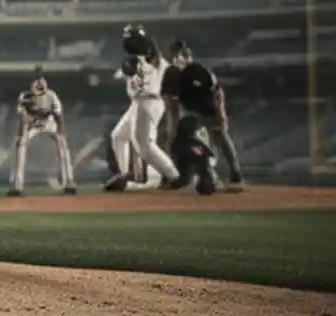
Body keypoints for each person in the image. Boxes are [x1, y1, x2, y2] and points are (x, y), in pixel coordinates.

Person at [103, 25, 182, 191]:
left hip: (150, 101)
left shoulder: (157, 61)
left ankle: (174, 176)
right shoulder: (134, 60)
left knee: (144, 145)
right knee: (118, 136)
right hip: (138, 102)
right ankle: (125, 175)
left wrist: (137, 60)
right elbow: (121, 74)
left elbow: (153, 58)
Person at [164, 39, 245, 191]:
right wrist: (173, 125)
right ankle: (176, 175)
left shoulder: (199, 70)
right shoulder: (172, 74)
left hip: (209, 110)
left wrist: (221, 114)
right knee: (177, 140)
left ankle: (235, 173)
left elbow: (217, 92)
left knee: (221, 136)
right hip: (189, 112)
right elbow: (170, 101)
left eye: (184, 54)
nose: (181, 58)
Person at [9, 67, 76, 196]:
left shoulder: (51, 95)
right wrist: (20, 136)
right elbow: (23, 118)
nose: (39, 83)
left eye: (41, 79)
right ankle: (17, 186)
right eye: (36, 79)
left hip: (49, 122)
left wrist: (61, 134)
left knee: (63, 147)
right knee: (19, 146)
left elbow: (58, 116)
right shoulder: (24, 96)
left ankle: (69, 182)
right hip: (32, 125)